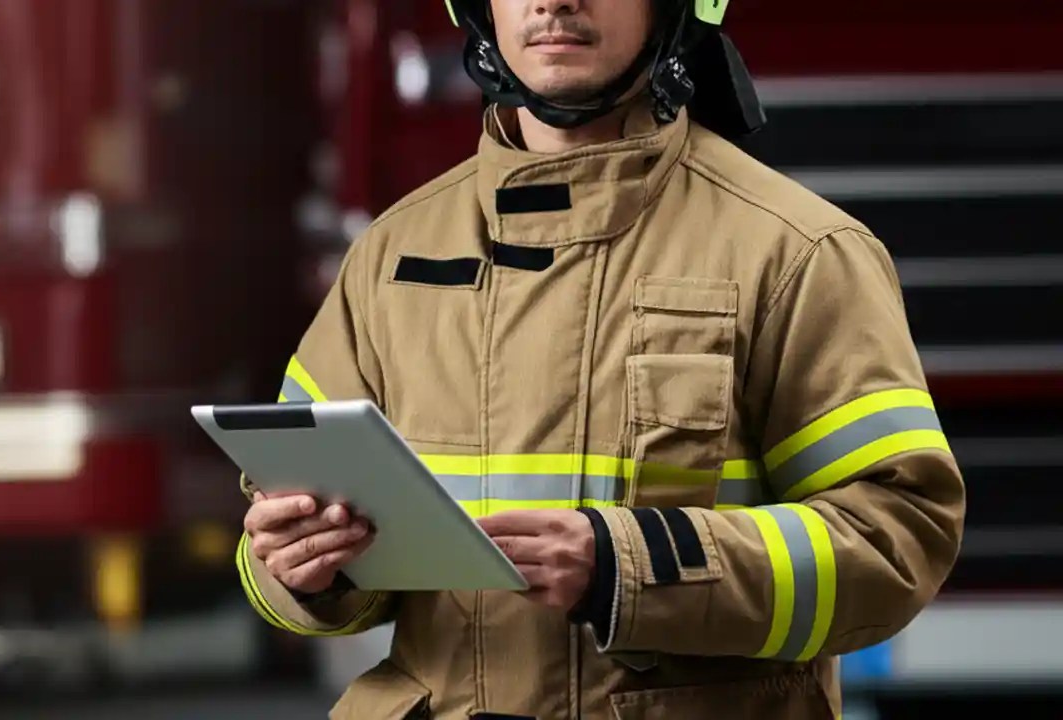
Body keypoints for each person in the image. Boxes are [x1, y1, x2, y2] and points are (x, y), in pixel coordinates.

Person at [237, 0, 966, 717]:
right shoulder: (390, 260)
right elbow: (278, 533)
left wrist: (630, 562)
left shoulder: (797, 254)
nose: (554, 1)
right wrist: (305, 572)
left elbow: (896, 539)